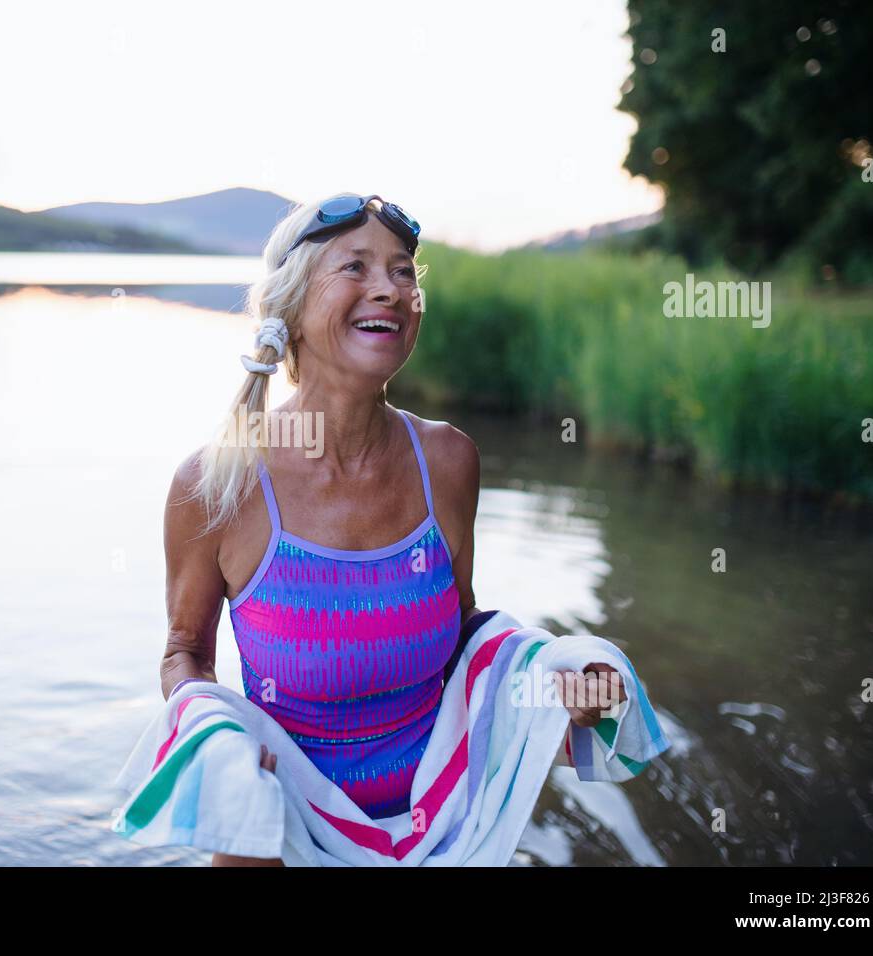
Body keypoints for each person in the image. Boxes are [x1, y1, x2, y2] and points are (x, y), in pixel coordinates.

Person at [160, 193, 623, 866]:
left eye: (404, 271)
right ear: (291, 306)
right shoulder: (217, 484)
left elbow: (465, 631)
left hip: (443, 836)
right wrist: (214, 731)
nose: (390, 289)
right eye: (356, 267)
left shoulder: (448, 460)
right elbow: (183, 652)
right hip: (279, 838)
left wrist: (553, 684)